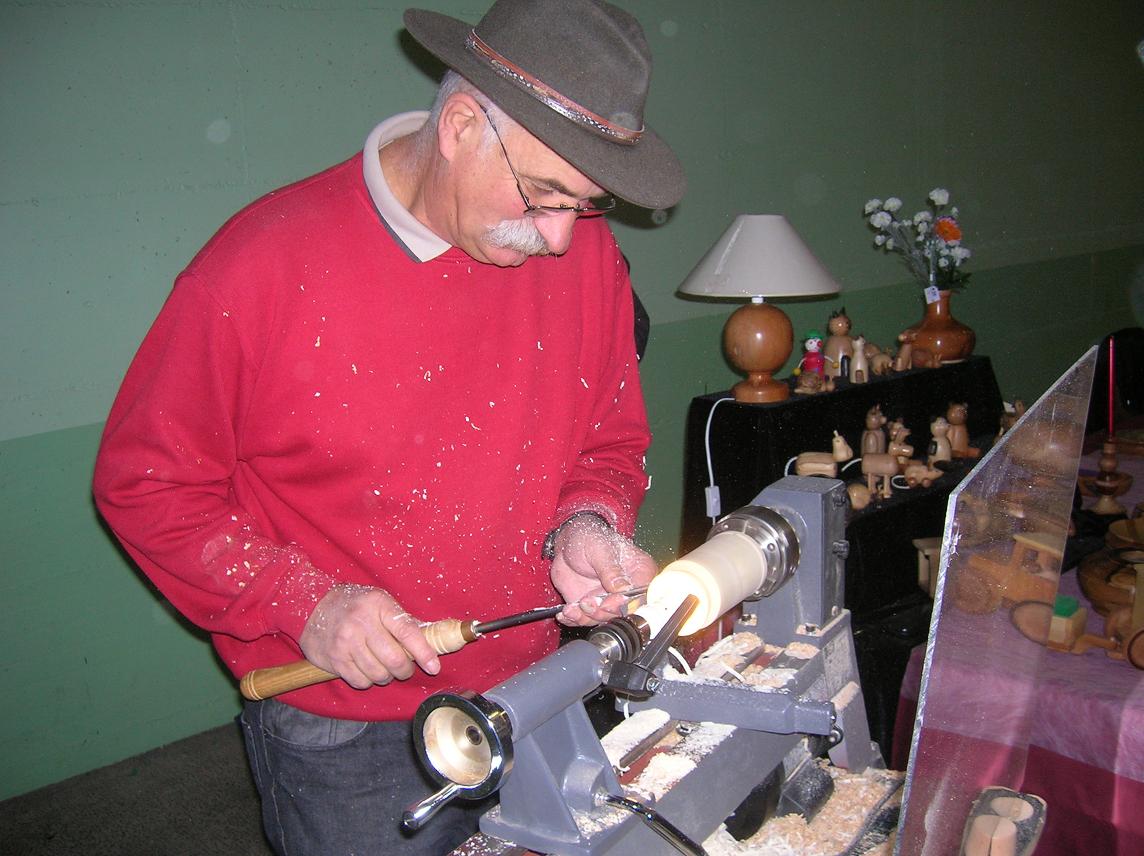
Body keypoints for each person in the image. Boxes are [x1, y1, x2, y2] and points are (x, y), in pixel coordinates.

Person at [92, 0, 685, 853]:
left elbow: (609, 441)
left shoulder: (585, 255)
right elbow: (147, 485)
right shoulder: (261, 268)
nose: (561, 239)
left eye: (585, 206)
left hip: (547, 688)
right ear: (460, 126)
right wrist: (306, 605)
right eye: (544, 194)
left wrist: (587, 523)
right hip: (348, 728)